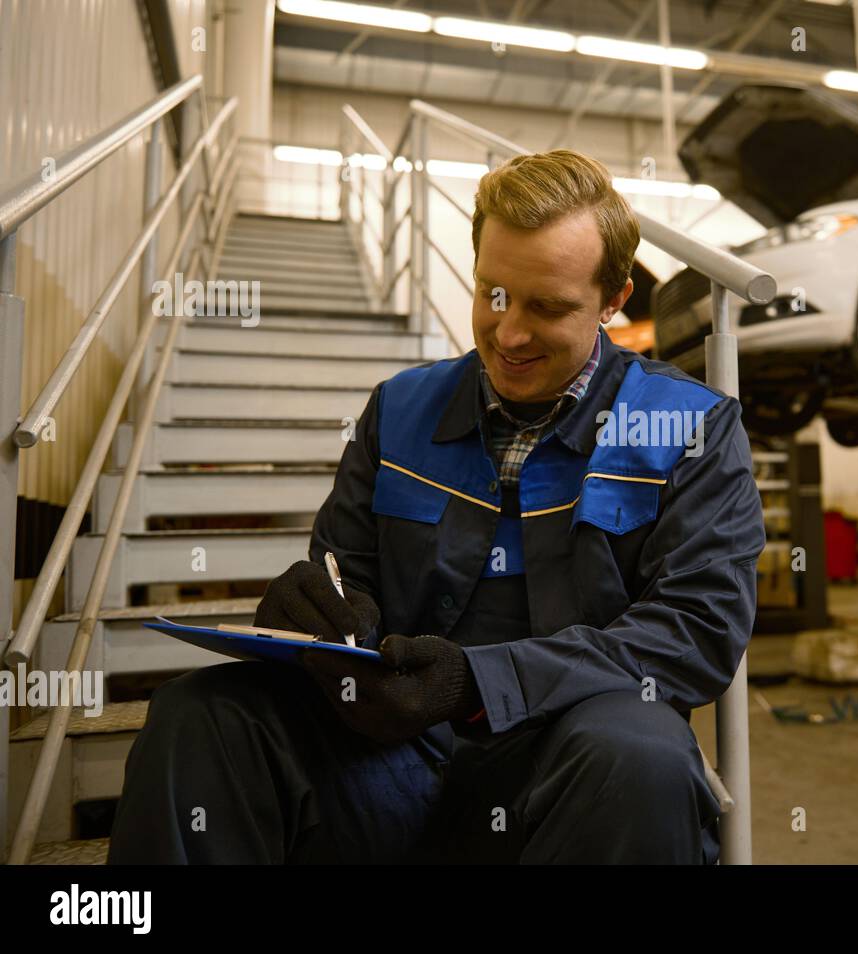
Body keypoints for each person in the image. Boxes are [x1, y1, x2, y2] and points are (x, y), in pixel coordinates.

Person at [108, 148, 766, 864]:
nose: (509, 333)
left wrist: (479, 682)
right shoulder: (401, 410)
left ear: (614, 300)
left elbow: (694, 632)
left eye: (547, 307)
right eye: (493, 294)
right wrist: (320, 614)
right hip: (393, 763)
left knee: (643, 757)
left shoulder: (688, 428)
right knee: (202, 716)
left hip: (572, 768)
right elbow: (342, 569)